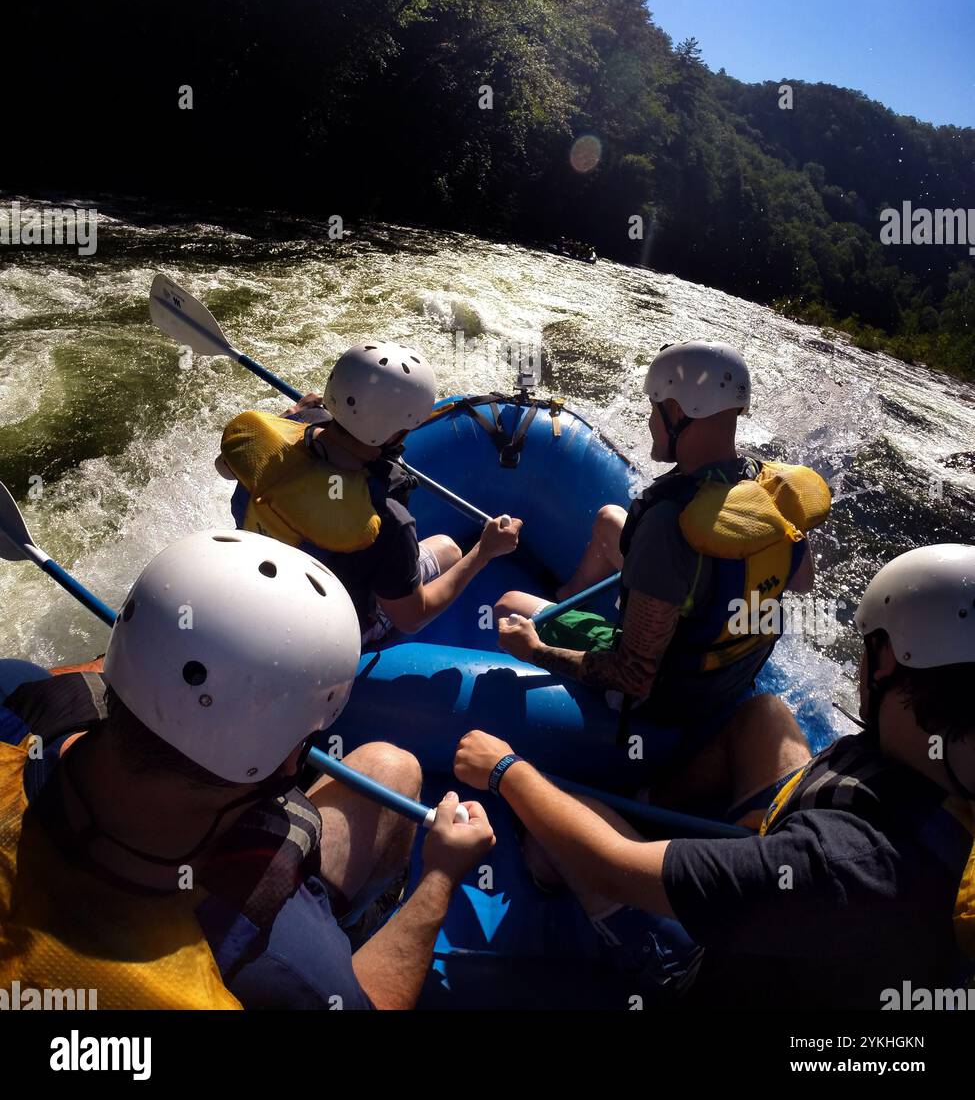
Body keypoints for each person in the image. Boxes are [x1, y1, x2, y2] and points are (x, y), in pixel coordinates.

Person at [456, 544, 975, 1009]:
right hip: (811, 890)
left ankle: (562, 884)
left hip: (709, 964)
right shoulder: (938, 765)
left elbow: (611, 867)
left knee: (568, 828)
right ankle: (648, 799)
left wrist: (505, 769)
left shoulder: (838, 866)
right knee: (765, 717)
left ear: (884, 660)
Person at [0, 530, 495, 1009]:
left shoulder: (16, 706)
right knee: (392, 769)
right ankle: (357, 919)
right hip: (218, 937)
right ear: (288, 756)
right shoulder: (290, 969)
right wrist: (439, 878)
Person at [493, 341, 829, 755]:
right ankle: (564, 600)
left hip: (667, 699)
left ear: (682, 413)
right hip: (729, 677)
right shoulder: (767, 491)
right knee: (609, 520)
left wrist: (536, 650)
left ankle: (553, 619)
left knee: (509, 606)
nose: (651, 420)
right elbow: (801, 580)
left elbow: (633, 677)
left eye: (656, 408)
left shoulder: (668, 522)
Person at [215, 342, 521, 645]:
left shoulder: (267, 440)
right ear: (398, 433)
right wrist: (484, 552)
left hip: (253, 586)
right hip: (319, 630)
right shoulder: (384, 516)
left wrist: (291, 417)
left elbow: (225, 466)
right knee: (448, 549)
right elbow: (412, 617)